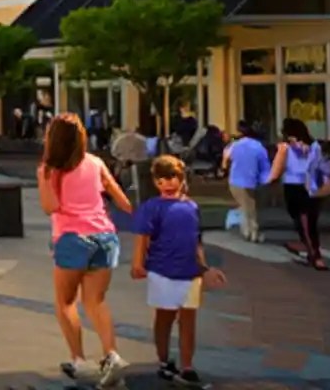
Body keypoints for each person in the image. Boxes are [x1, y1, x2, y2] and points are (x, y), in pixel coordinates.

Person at [37, 113, 133, 385]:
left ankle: (79, 360)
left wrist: (47, 178)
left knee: (66, 302)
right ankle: (111, 355)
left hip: (72, 238)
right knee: (96, 301)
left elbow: (49, 207)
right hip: (105, 236)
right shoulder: (96, 162)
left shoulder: (50, 168)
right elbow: (123, 201)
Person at [131, 156, 227, 387]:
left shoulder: (192, 207)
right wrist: (137, 263)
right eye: (162, 179)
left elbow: (196, 241)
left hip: (190, 272)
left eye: (173, 177)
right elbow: (142, 237)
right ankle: (164, 360)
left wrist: (204, 269)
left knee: (188, 320)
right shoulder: (152, 207)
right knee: (164, 318)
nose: (168, 183)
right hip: (162, 271)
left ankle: (187, 366)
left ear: (181, 178)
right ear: (156, 182)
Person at [266, 118, 329, 270]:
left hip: (293, 185)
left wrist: (268, 180)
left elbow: (277, 169)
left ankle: (314, 254)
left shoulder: (285, 147)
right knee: (311, 222)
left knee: (301, 222)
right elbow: (320, 166)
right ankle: (314, 253)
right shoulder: (315, 146)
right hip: (312, 186)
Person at [222, 120, 270, 243]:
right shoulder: (259, 147)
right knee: (251, 207)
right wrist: (266, 181)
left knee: (244, 207)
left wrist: (225, 169)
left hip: (235, 180)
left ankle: (247, 231)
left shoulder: (234, 145)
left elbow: (225, 160)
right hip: (252, 180)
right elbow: (265, 167)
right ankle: (253, 232)